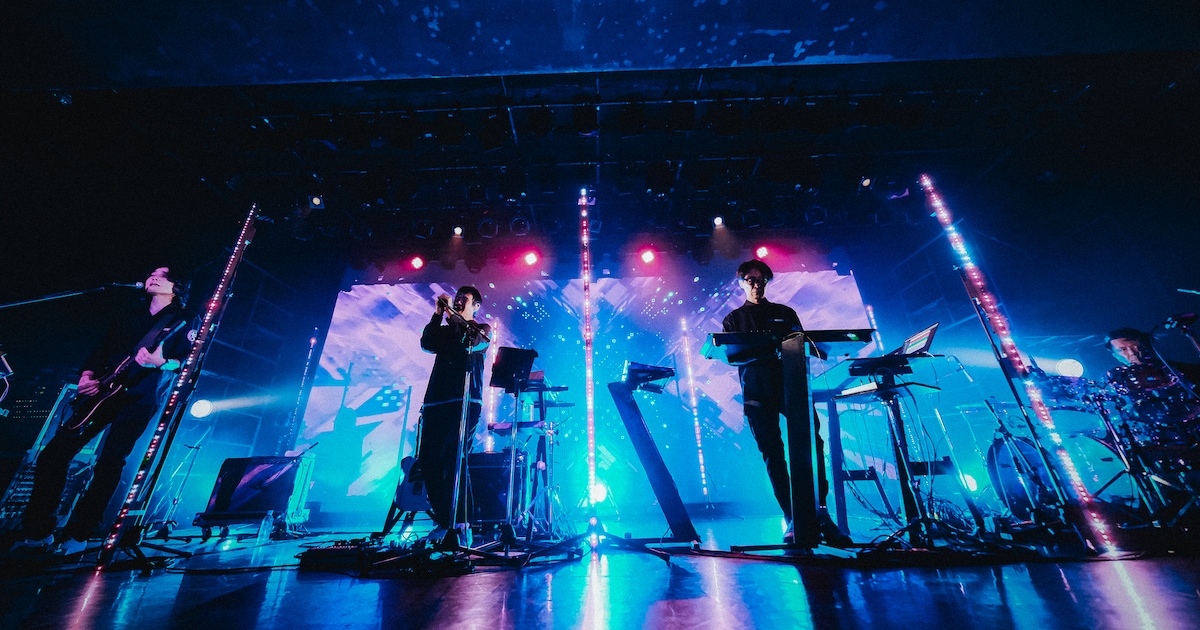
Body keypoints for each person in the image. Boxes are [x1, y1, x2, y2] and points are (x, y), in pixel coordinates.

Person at [12, 266, 199, 554]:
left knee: (109, 462)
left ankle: (79, 533)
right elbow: (101, 349)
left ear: (177, 286)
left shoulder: (183, 319)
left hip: (140, 397)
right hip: (102, 391)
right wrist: (86, 376)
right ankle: (38, 531)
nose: (153, 277)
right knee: (54, 454)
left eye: (162, 275)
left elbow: (185, 362)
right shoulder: (129, 315)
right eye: (151, 273)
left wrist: (160, 363)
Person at [721, 259, 851, 546]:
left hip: (792, 390)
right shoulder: (733, 319)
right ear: (742, 283)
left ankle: (820, 513)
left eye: (761, 279)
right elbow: (733, 355)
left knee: (812, 449)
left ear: (767, 281)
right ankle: (792, 517)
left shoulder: (785, 312)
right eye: (750, 280)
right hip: (757, 395)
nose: (756, 284)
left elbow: (804, 345)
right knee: (774, 457)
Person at [414, 286, 491, 547]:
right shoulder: (446, 330)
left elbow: (467, 341)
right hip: (437, 402)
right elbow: (427, 343)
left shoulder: (482, 330)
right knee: (428, 462)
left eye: (463, 299)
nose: (457, 301)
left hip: (464, 402)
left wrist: (453, 317)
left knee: (454, 461)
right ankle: (446, 520)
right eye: (455, 298)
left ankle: (461, 523)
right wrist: (438, 314)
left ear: (476, 305)